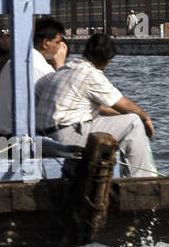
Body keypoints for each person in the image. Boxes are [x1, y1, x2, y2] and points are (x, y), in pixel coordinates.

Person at [34, 33, 157, 176]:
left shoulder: (68, 68)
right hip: (66, 138)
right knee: (134, 122)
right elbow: (122, 103)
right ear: (108, 60)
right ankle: (141, 179)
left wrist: (123, 116)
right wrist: (145, 118)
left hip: (47, 139)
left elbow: (102, 108)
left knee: (126, 120)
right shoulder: (91, 74)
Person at [0, 17, 67, 136]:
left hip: (1, 132)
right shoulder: (42, 69)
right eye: (57, 42)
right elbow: (66, 102)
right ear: (46, 43)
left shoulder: (11, 62)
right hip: (25, 136)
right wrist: (60, 66)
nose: (60, 47)